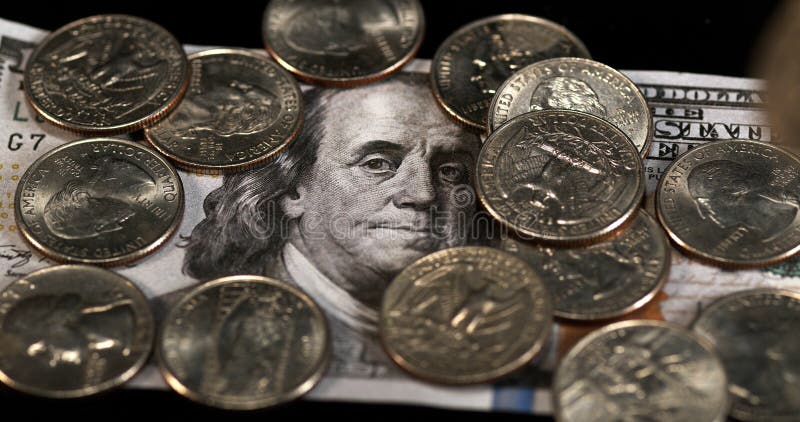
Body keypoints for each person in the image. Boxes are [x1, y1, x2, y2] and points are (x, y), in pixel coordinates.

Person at [180, 72, 483, 376]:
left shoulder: (485, 335)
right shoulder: (191, 330)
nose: (423, 193)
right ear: (293, 187)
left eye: (451, 171)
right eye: (376, 163)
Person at [687, 160, 800, 240]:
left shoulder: (783, 215)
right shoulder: (754, 234)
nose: (704, 214)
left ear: (738, 190)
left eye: (705, 202)